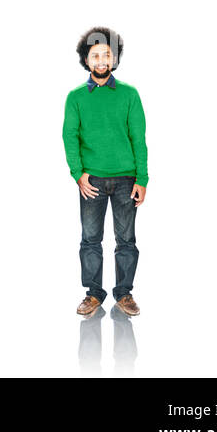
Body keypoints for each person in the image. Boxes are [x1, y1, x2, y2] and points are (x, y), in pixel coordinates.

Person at [64, 27, 148, 317]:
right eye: (95, 55)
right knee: (90, 238)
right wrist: (78, 174)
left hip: (126, 178)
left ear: (115, 58)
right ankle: (93, 293)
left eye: (107, 55)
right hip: (92, 179)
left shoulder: (129, 94)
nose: (101, 60)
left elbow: (139, 139)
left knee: (126, 240)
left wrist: (142, 178)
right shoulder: (75, 97)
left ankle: (124, 294)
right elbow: (69, 137)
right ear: (86, 60)